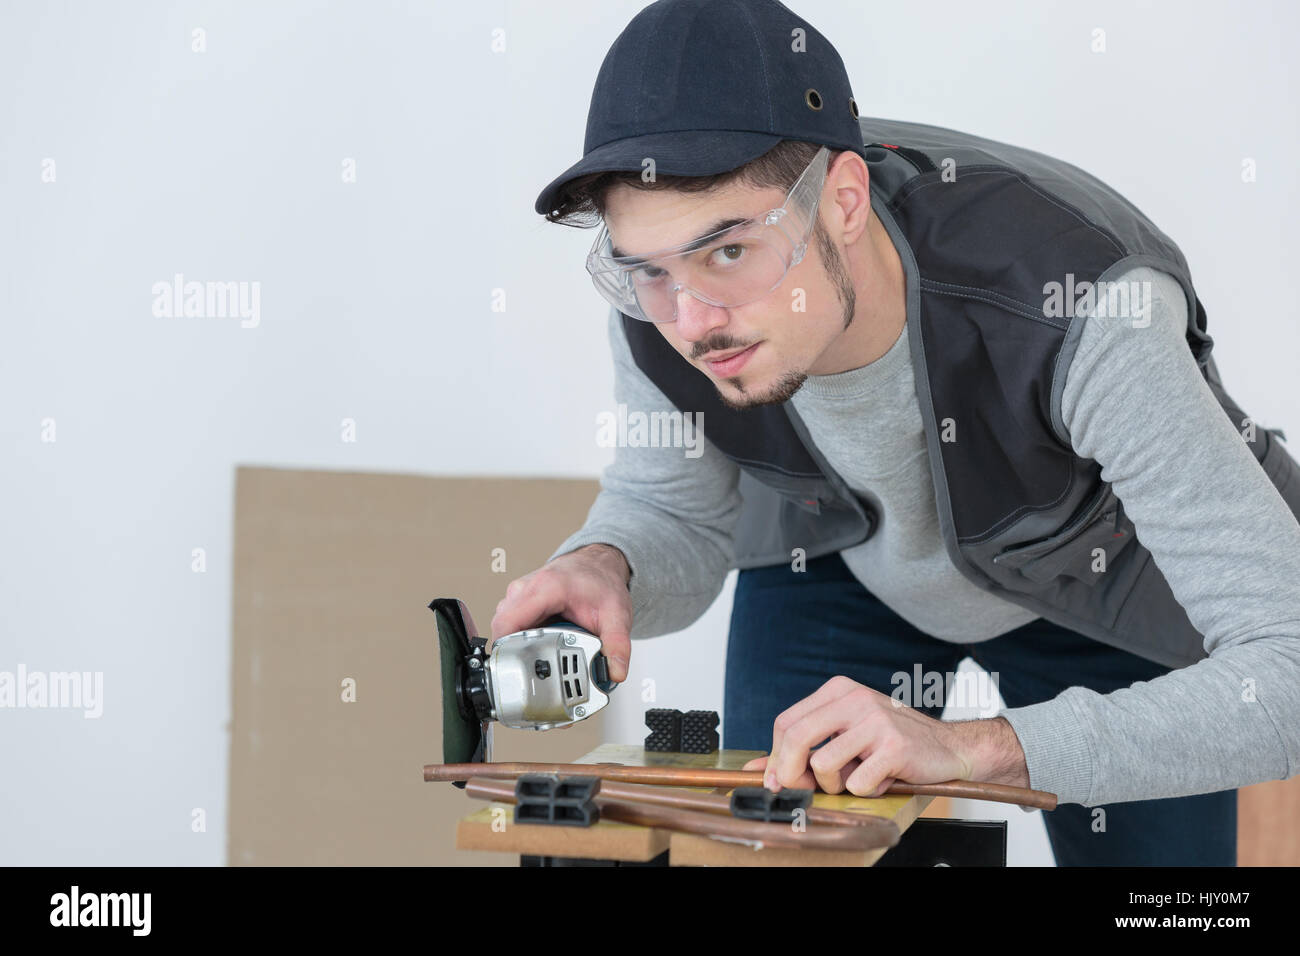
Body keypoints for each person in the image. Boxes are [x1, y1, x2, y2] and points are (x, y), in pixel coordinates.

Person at [492, 0, 1300, 865]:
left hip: (1100, 576)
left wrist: (976, 751)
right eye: (651, 270)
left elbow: (1286, 674)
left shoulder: (1087, 308)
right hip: (833, 555)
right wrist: (607, 561)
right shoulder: (665, 307)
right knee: (777, 851)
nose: (693, 322)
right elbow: (675, 517)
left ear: (844, 199)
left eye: (729, 252)